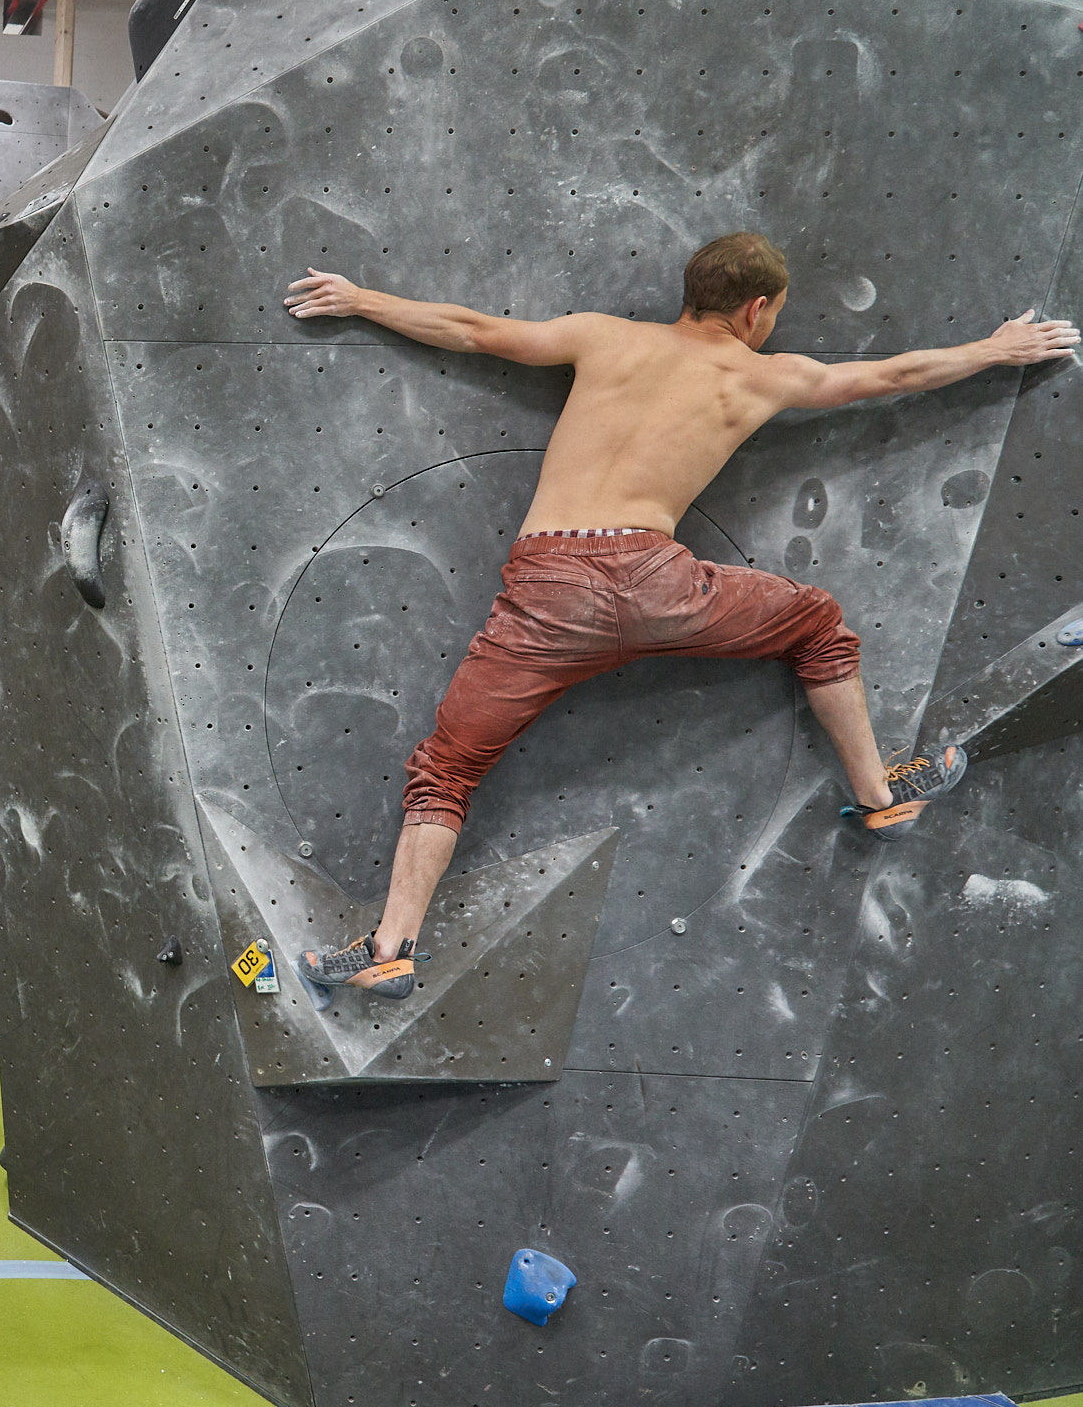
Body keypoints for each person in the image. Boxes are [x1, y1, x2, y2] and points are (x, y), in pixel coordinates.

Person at [278, 235, 1081, 999]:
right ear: (756, 309)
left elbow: (472, 330)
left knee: (447, 768)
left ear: (693, 294)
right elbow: (896, 374)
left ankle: (390, 951)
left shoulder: (603, 339)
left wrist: (359, 297)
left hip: (546, 591)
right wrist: (993, 349)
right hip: (654, 582)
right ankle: (878, 792)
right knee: (817, 623)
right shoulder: (766, 377)